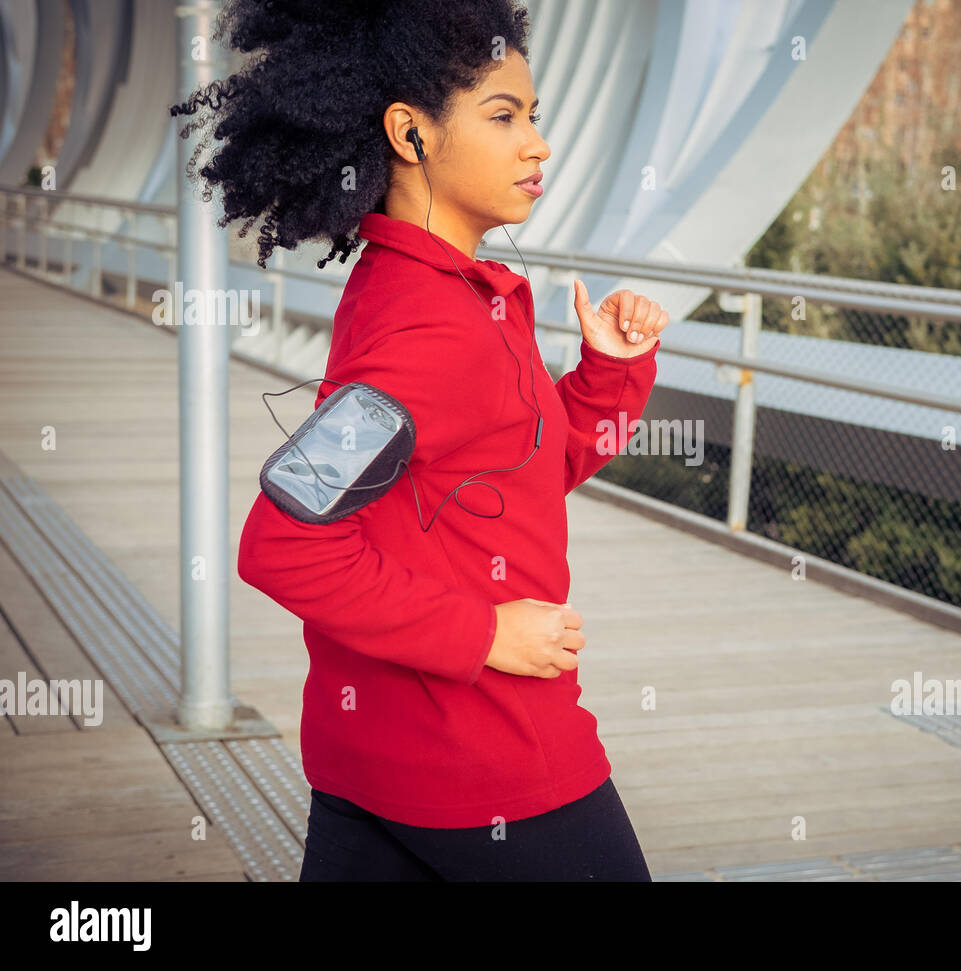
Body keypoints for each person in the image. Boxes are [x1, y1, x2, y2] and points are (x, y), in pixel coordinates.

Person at [170, 0, 668, 881]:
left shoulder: (430, 291)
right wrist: (482, 634)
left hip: (372, 766)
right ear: (410, 133)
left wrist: (609, 374)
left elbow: (521, 472)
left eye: (536, 117)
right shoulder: (430, 331)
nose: (537, 145)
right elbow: (283, 545)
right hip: (493, 764)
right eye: (504, 115)